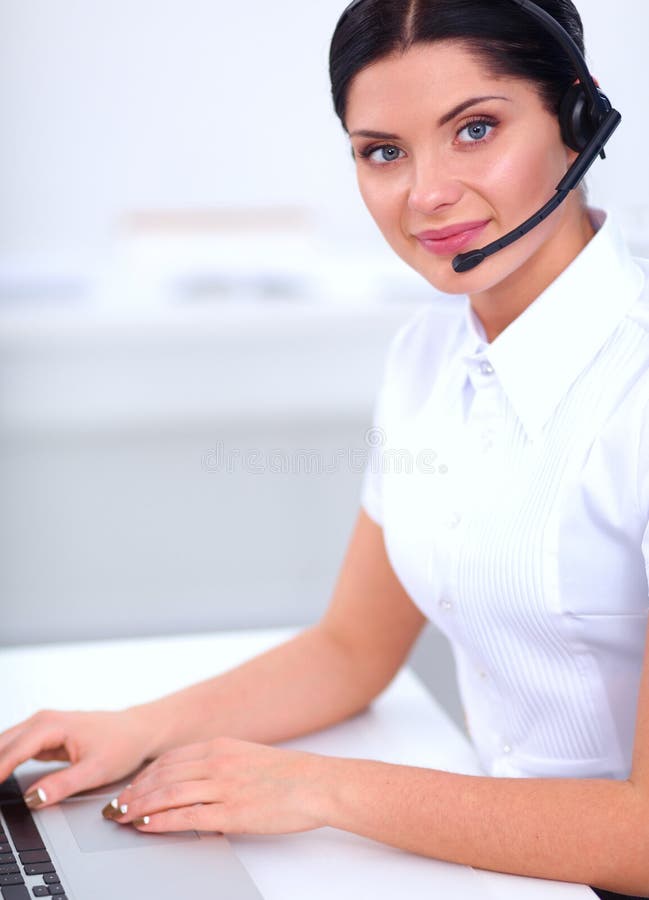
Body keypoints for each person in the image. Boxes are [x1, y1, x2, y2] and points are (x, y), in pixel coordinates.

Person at [1, 0, 648, 897]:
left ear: (581, 113)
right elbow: (351, 647)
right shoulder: (427, 354)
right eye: (383, 151)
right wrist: (140, 728)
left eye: (474, 129)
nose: (424, 192)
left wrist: (316, 788)